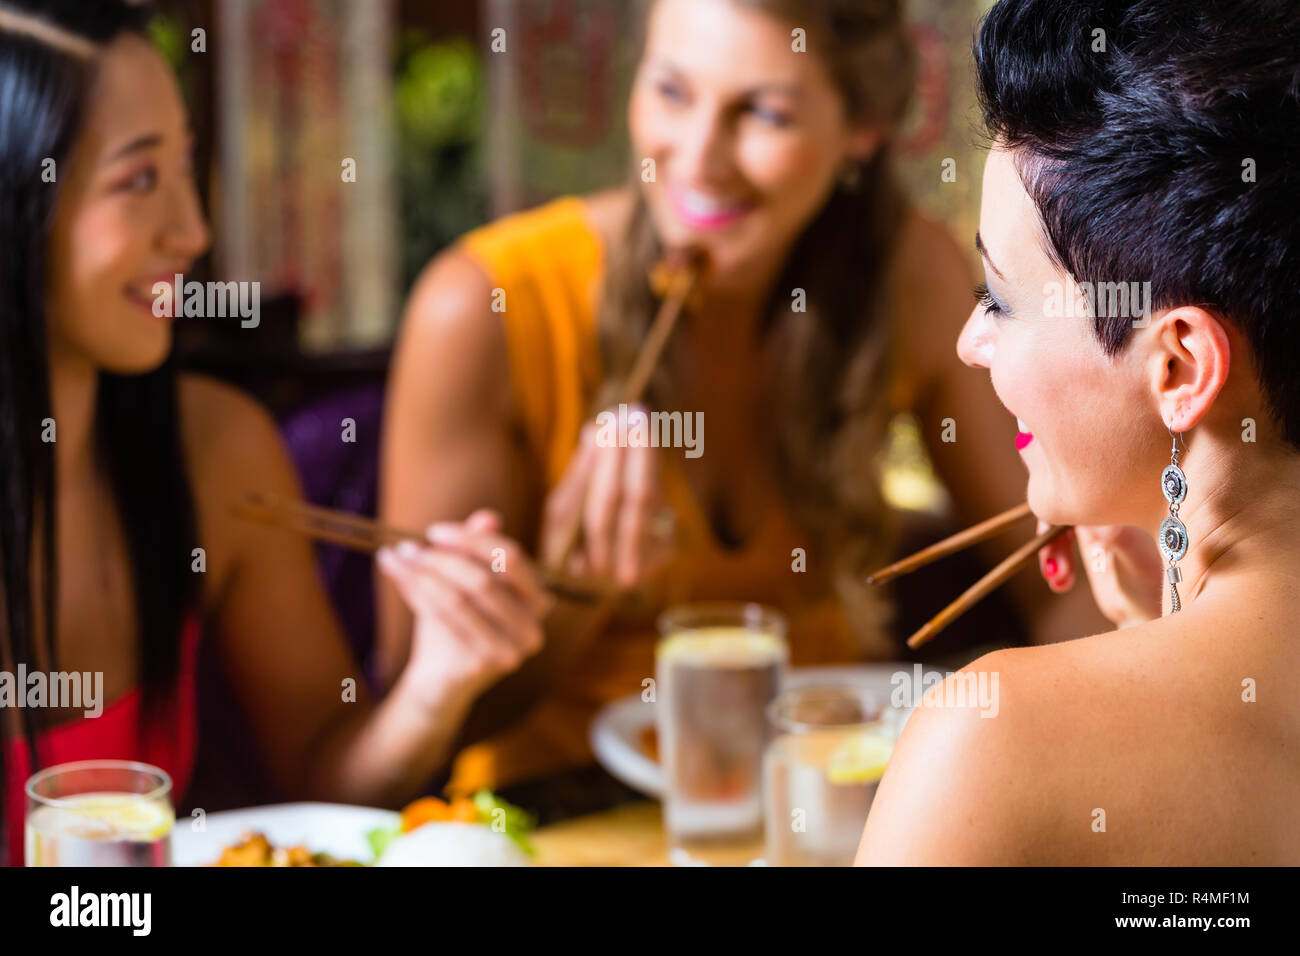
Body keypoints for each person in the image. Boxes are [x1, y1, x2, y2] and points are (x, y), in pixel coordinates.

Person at [379, 0, 1108, 795]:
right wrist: (580, 596)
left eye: (763, 112)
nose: (696, 159)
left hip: (834, 807)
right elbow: (422, 723)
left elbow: (1055, 587)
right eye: (670, 91)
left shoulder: (912, 281)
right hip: (558, 816)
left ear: (863, 124)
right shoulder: (480, 309)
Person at [0, 0, 542, 865]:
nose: (194, 231)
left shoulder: (215, 453)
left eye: (186, 163)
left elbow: (324, 784)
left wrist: (441, 680)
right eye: (139, 180)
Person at [858, 0, 1300, 864]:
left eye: (1001, 298)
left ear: (1177, 367)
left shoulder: (991, 743)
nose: (969, 343)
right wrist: (1154, 628)